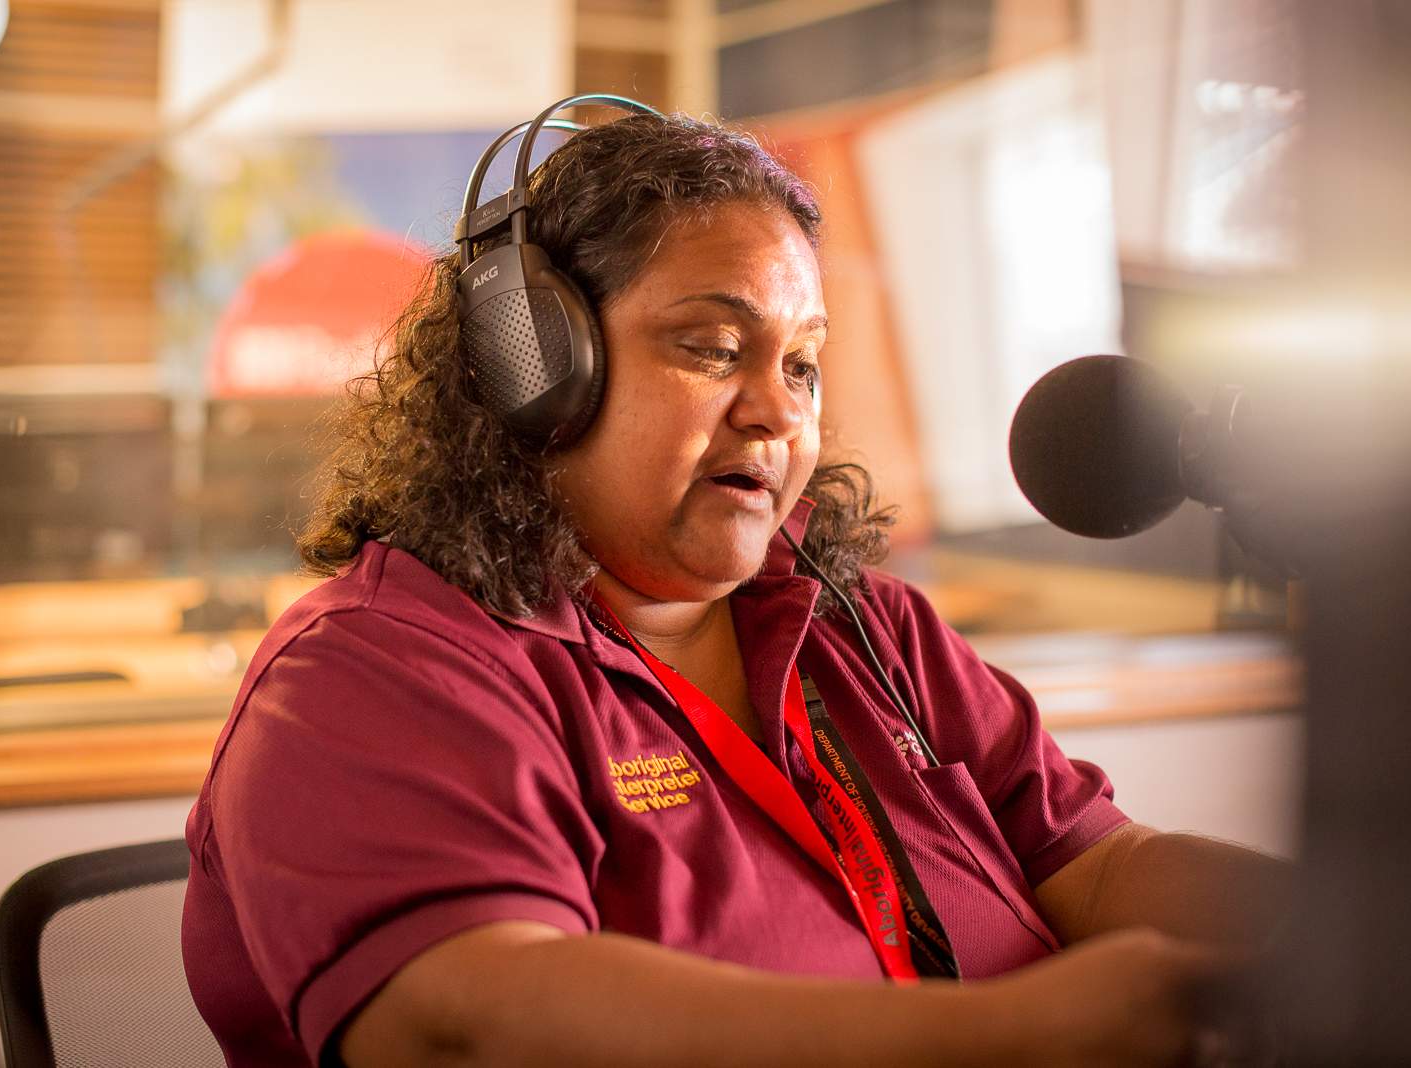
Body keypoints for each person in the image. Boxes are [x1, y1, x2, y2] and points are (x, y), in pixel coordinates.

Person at [182, 105, 1284, 1067]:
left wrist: (1336, 936)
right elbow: (466, 1028)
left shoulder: (867, 630)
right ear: (535, 369)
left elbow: (1092, 870)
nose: (778, 409)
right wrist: (1015, 1038)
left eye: (800, 363)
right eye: (713, 347)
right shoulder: (376, 668)